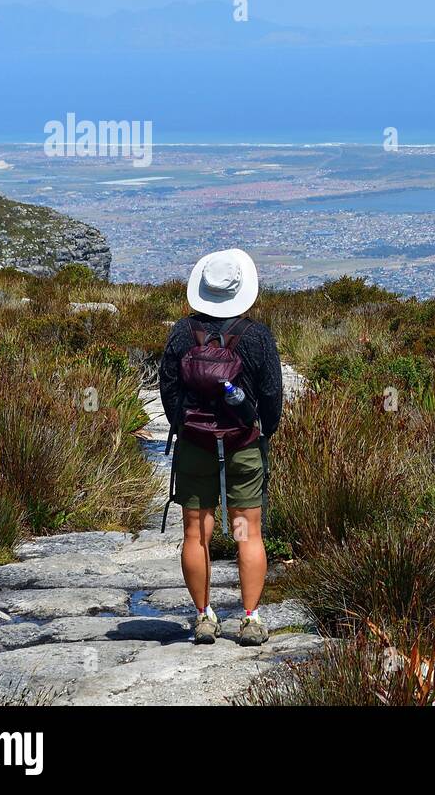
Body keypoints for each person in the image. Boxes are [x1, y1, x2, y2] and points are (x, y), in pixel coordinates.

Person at [159, 248, 283, 647]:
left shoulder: (181, 333)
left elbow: (169, 389)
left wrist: (183, 426)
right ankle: (250, 619)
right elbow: (271, 394)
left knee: (196, 532)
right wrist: (264, 431)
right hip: (243, 442)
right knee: (247, 532)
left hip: (195, 444)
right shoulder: (257, 336)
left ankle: (203, 617)